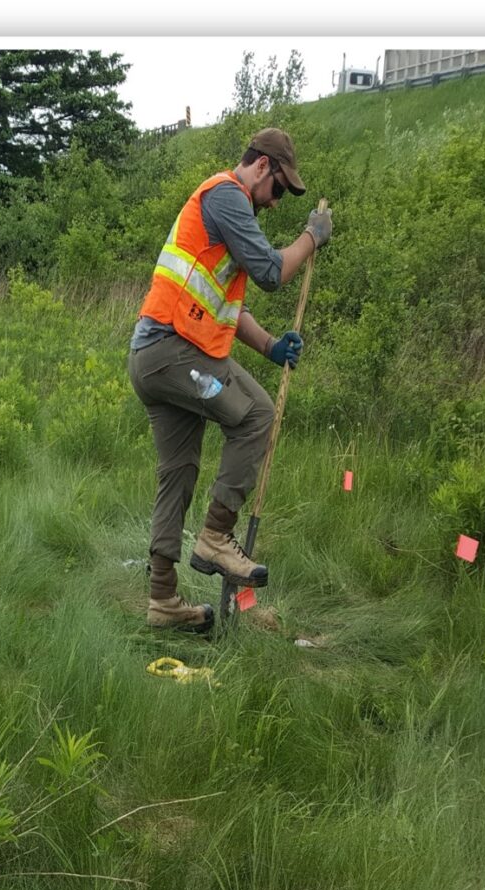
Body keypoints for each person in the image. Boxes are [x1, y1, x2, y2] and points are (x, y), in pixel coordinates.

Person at [127, 128, 333, 631]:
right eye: (279, 189)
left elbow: (228, 308)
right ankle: (217, 536)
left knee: (178, 472)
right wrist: (312, 237)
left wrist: (269, 346)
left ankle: (162, 600)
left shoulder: (220, 213)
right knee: (257, 413)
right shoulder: (227, 194)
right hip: (174, 352)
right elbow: (268, 270)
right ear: (261, 167)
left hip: (153, 357)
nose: (277, 201)